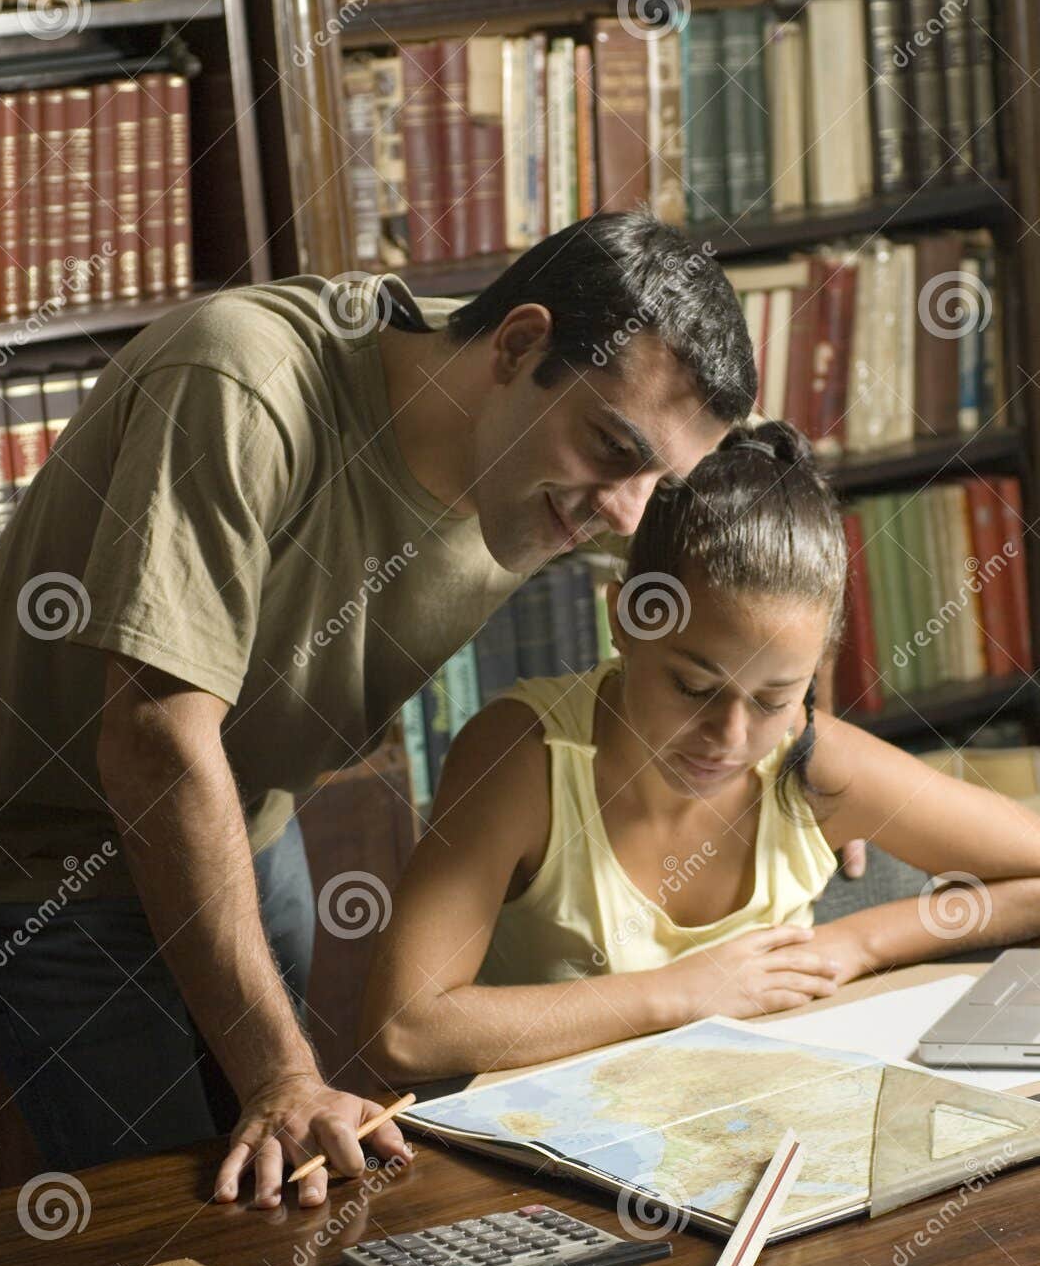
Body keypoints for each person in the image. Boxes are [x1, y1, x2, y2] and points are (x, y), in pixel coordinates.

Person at [0, 211, 752, 1204]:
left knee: (291, 1183)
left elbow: (755, 553)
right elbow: (155, 740)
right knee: (173, 1221)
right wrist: (280, 1075)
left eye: (658, 480)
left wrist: (794, 771)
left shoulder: (572, 429)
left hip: (247, 819)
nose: (626, 514)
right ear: (517, 346)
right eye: (611, 448)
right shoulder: (241, 379)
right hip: (44, 852)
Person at [361, 420, 1040, 1085]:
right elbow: (403, 1032)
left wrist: (856, 943)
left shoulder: (813, 760)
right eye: (692, 687)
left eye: (774, 699)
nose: (729, 738)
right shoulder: (523, 756)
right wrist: (680, 993)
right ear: (625, 618)